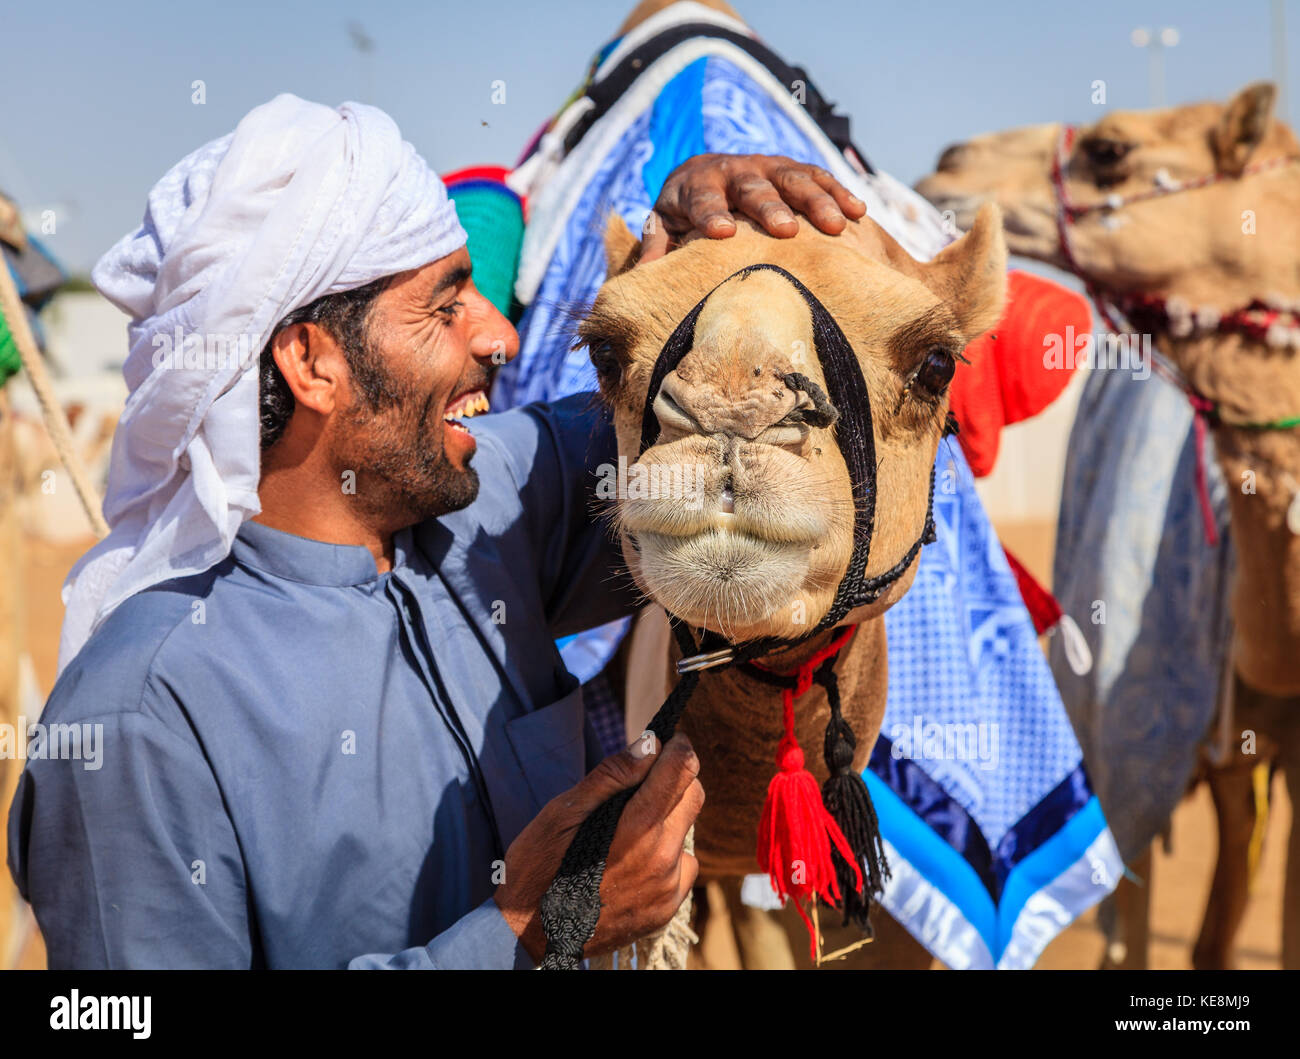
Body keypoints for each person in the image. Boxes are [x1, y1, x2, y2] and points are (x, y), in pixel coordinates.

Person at [6, 94, 865, 969]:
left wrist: (689, 245)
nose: (498, 333)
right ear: (312, 362)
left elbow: (692, 440)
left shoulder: (485, 505)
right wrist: (532, 927)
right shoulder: (139, 723)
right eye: (446, 304)